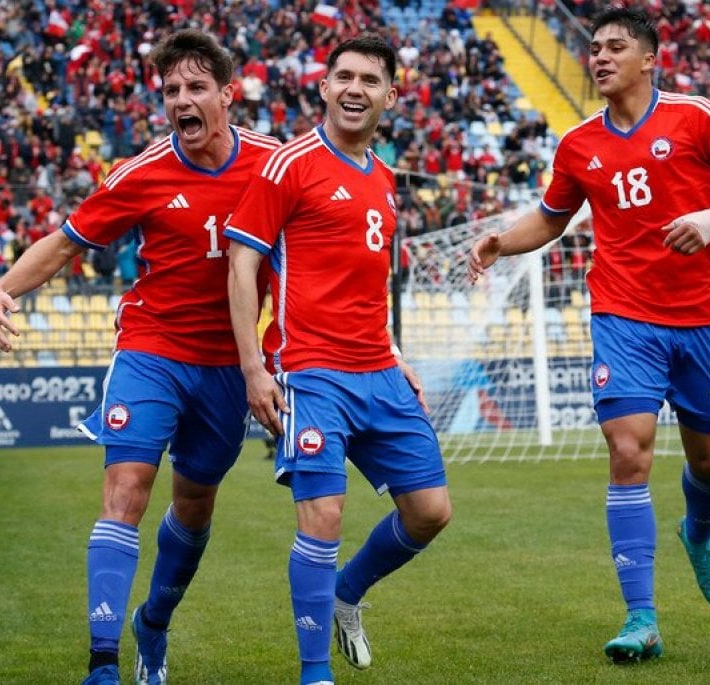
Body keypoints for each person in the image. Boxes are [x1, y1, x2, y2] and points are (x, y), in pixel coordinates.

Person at [468, 8, 710, 664]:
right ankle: (642, 616)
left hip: (702, 318)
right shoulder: (578, 143)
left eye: (615, 47)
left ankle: (698, 535)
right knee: (629, 449)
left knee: (709, 460)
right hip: (622, 315)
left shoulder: (695, 115)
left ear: (649, 59)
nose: (599, 57)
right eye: (595, 48)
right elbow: (552, 220)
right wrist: (501, 241)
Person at [0, 30, 280, 685]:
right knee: (125, 491)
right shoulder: (140, 172)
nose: (182, 98)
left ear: (228, 95)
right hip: (151, 349)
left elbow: (315, 247)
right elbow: (64, 244)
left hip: (230, 366)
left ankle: (155, 621)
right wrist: (3, 284)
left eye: (196, 86)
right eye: (171, 89)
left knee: (195, 503)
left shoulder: (272, 163)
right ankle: (101, 664)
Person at [226, 35, 452, 685]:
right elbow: (242, 265)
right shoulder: (289, 164)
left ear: (390, 96)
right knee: (323, 515)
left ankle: (347, 594)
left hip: (378, 369)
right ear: (323, 87)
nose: (355, 89)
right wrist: (252, 367)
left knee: (431, 510)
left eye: (370, 80)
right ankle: (315, 672)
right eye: (344, 77)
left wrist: (397, 353)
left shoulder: (382, 178)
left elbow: (366, 282)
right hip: (310, 370)